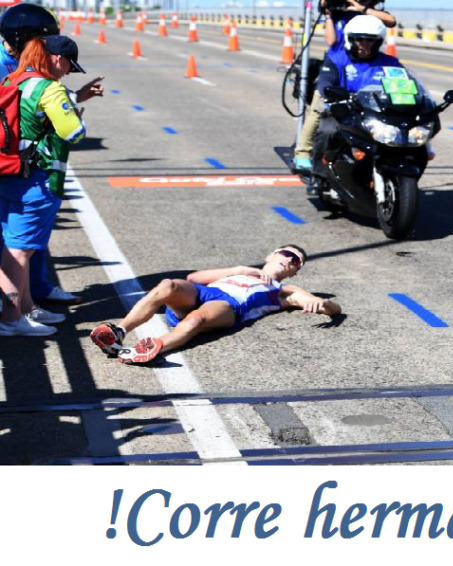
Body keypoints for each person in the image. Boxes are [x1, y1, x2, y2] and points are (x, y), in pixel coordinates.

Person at [89, 245, 341, 364]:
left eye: (297, 263)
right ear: (271, 256)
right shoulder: (241, 272)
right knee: (168, 285)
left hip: (228, 307)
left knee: (197, 319)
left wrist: (324, 305)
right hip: (206, 292)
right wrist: (241, 269)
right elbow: (193, 279)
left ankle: (149, 350)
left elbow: (321, 305)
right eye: (287, 255)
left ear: (294, 273)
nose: (291, 261)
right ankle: (118, 332)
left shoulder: (283, 290)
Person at [0, 35, 89, 337]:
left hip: (8, 173)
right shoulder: (50, 89)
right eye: (68, 65)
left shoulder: (14, 78)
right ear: (54, 58)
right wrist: (77, 116)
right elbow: (74, 133)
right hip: (36, 178)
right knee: (20, 251)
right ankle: (11, 318)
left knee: (14, 246)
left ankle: (26, 307)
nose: (67, 72)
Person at [293, 0, 396, 170]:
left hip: (365, 65)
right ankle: (302, 152)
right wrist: (328, 14)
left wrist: (361, 8)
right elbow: (331, 41)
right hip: (338, 64)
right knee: (319, 107)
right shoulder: (337, 16)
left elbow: (390, 21)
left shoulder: (367, 15)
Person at [310, 14, 402, 161]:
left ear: (378, 42)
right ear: (351, 39)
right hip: (344, 110)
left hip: (378, 112)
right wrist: (331, 93)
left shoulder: (390, 62)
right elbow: (325, 80)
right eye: (359, 39)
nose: (364, 44)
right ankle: (318, 176)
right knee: (328, 131)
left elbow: (404, 82)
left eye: (370, 40)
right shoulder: (337, 59)